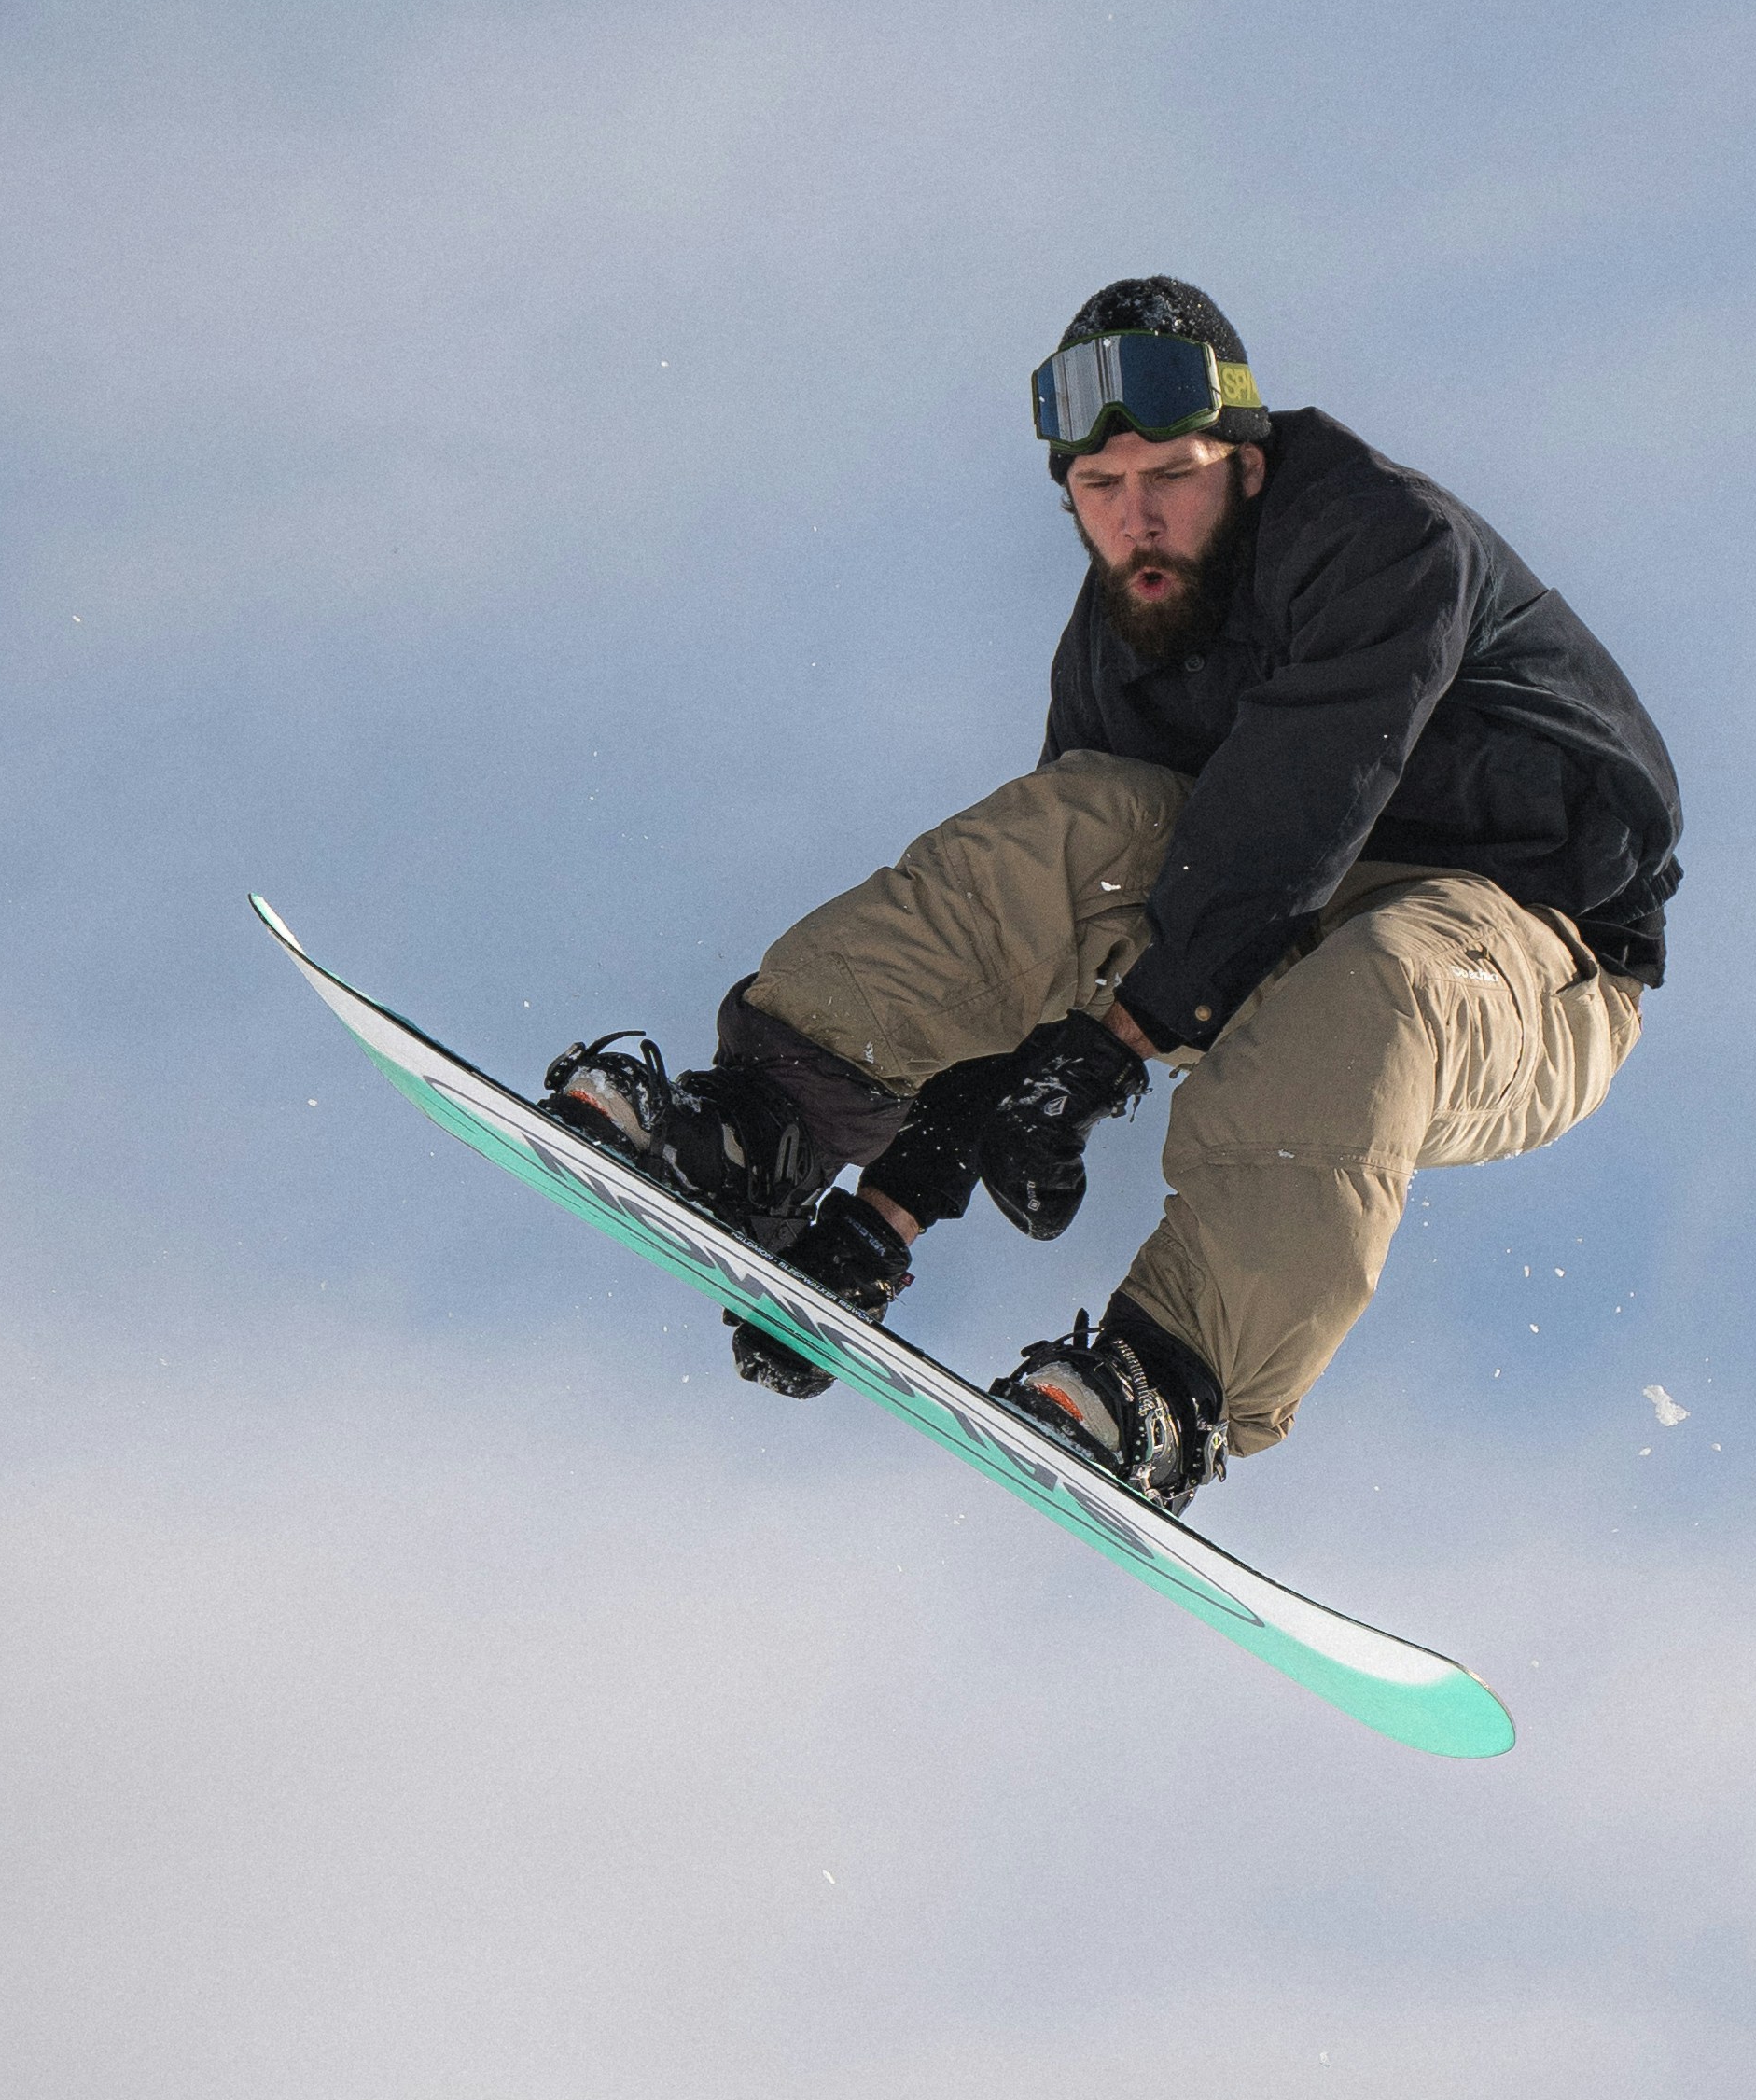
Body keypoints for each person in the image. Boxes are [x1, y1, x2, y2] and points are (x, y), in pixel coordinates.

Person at [541, 280, 1681, 1511]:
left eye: (1171, 476)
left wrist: (1126, 1037)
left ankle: (1166, 1383)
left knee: (1377, 979)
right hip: (1255, 931)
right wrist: (886, 1213)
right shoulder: (1118, 652)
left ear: (1245, 460)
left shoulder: (1381, 539)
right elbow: (1037, 963)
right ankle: (762, 1127)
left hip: (1529, 951)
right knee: (1078, 823)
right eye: (1100, 489)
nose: (1137, 520)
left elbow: (1303, 798)